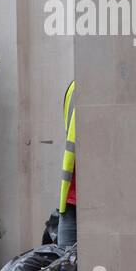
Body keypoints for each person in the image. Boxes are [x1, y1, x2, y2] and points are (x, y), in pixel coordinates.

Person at [58, 79, 76, 249]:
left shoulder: (72, 88)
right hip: (71, 201)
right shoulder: (73, 88)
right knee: (64, 268)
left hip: (72, 200)